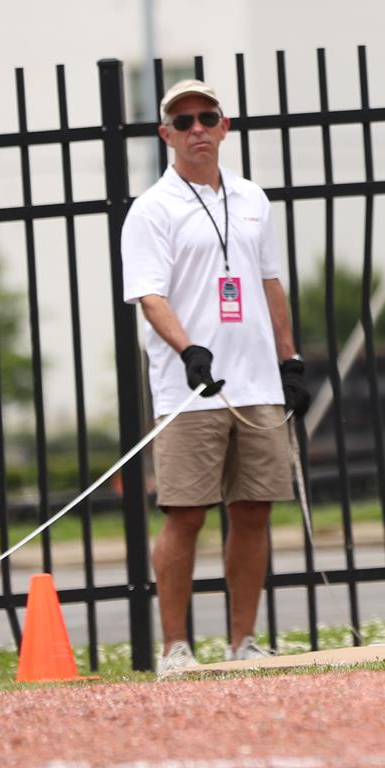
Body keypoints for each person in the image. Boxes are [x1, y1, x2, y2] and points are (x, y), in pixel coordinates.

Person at [119, 79, 310, 676]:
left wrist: (290, 358)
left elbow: (269, 280)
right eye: (183, 121)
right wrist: (188, 350)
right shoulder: (152, 208)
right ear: (166, 135)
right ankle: (175, 647)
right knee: (186, 513)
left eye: (207, 117)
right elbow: (148, 295)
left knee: (253, 510)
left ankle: (243, 641)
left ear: (225, 126)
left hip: (256, 381)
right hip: (193, 389)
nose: (197, 129)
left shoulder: (253, 198)